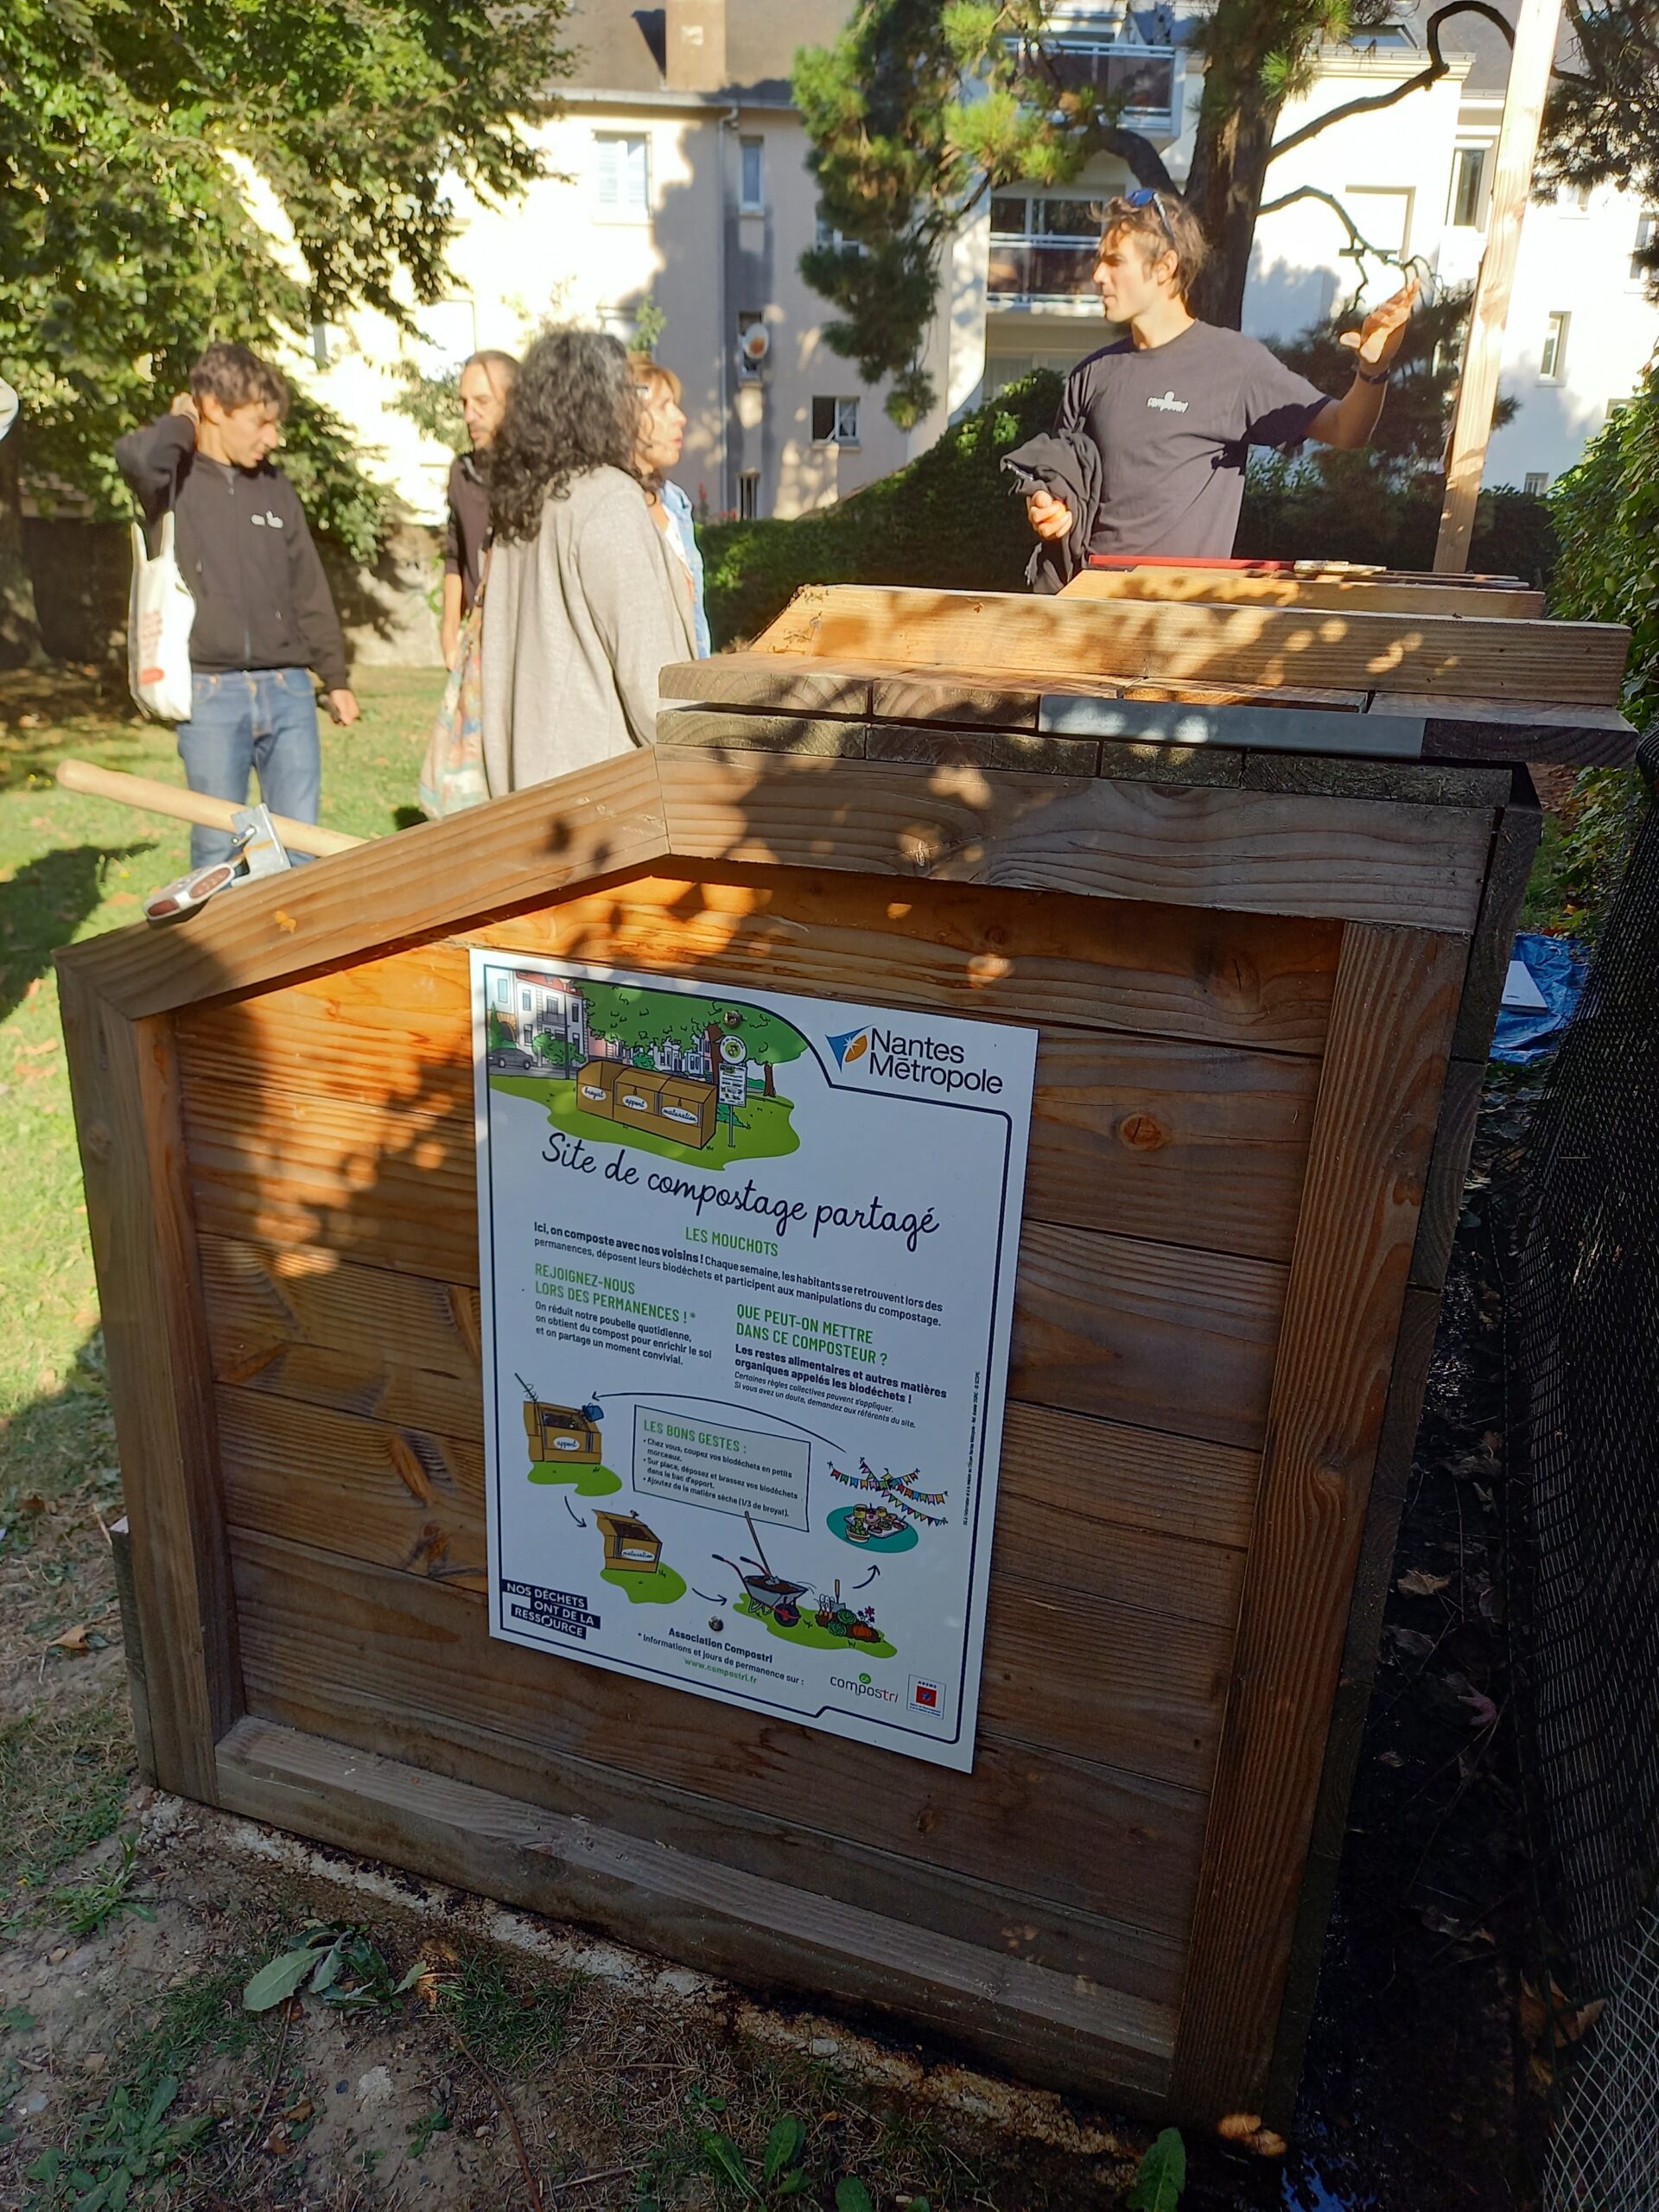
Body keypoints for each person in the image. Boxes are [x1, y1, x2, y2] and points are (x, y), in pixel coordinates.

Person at [1021, 189, 1419, 579]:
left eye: (1114, 262)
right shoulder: (1091, 375)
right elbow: (1062, 481)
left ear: (1164, 268)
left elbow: (1345, 429)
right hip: (1088, 614)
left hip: (1180, 628)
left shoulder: (1236, 366)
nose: (1097, 276)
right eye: (1098, 261)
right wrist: (1047, 506)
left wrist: (1374, 368)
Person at [116, 340, 358, 868]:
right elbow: (138, 456)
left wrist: (334, 678)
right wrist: (183, 420)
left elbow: (308, 586)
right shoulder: (171, 481)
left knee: (301, 849)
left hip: (288, 691)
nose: (273, 439)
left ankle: (296, 953)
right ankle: (214, 949)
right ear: (216, 408)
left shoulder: (274, 487)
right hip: (209, 695)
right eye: (260, 423)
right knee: (215, 849)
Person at [480, 328, 696, 795]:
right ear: (603, 404)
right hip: (602, 812)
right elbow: (658, 692)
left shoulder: (522, 506)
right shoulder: (607, 499)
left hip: (526, 799)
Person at [628, 354, 710, 658]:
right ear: (628, 419)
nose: (680, 417)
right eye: (663, 406)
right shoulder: (610, 511)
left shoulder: (675, 502)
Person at [442, 349, 518, 669]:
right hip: (479, 651)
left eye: (482, 402)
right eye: (464, 403)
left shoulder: (541, 476)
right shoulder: (462, 473)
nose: (469, 416)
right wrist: (448, 633)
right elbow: (454, 555)